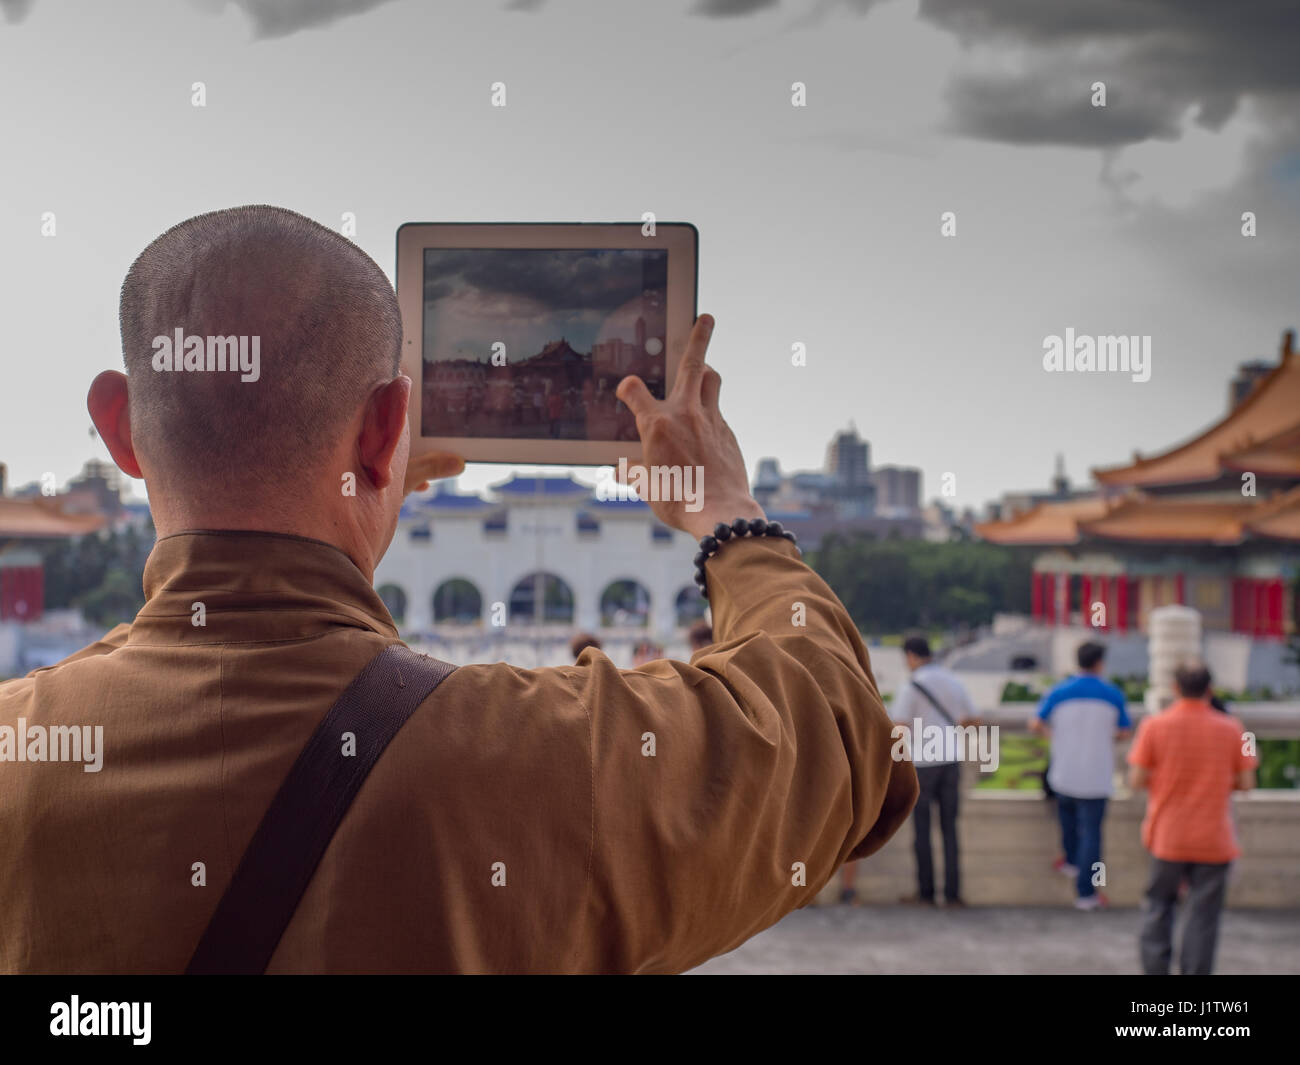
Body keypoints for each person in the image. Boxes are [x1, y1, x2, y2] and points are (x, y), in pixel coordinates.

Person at [0, 206, 917, 974]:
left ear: (119, 429)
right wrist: (725, 510)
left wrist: (363, 470)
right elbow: (827, 721)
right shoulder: (535, 762)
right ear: (390, 423)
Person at [1128, 663, 1257, 975]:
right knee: (1203, 916)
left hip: (1167, 836)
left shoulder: (1154, 726)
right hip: (1214, 838)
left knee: (1159, 907)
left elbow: (1136, 779)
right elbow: (1246, 784)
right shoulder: (1232, 728)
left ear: (1175, 689)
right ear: (1210, 690)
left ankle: (1155, 969)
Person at [873, 635, 978, 907]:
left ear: (910, 656)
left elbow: (899, 726)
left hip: (922, 764)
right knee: (950, 830)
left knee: (922, 832)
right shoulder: (953, 680)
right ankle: (953, 894)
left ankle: (926, 893)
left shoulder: (911, 685)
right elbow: (972, 720)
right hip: (951, 760)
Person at [1031, 641, 1130, 910]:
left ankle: (1071, 862)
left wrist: (1055, 736)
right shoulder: (1113, 694)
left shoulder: (1059, 691)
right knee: (1092, 836)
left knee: (1067, 820)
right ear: (1100, 663)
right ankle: (1086, 893)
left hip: (1064, 772)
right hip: (1097, 776)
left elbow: (1036, 722)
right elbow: (1124, 731)